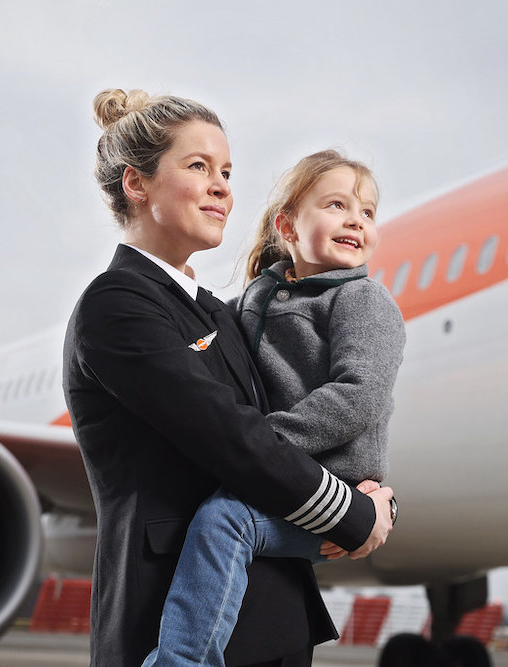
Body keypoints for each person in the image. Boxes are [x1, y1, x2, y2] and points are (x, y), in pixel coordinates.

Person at [62, 89, 396, 667]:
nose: (222, 186)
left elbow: (310, 411)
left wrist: (376, 496)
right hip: (166, 615)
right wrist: (351, 515)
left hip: (274, 616)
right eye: (198, 167)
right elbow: (229, 433)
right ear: (135, 184)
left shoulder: (220, 311)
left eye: (227, 171)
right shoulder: (118, 303)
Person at [143, 150, 406, 666]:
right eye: (337, 204)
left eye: (368, 212)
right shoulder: (249, 303)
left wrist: (262, 443)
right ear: (287, 224)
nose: (356, 219)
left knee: (225, 520)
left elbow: (359, 396)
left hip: (333, 485)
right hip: (276, 478)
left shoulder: (363, 301)